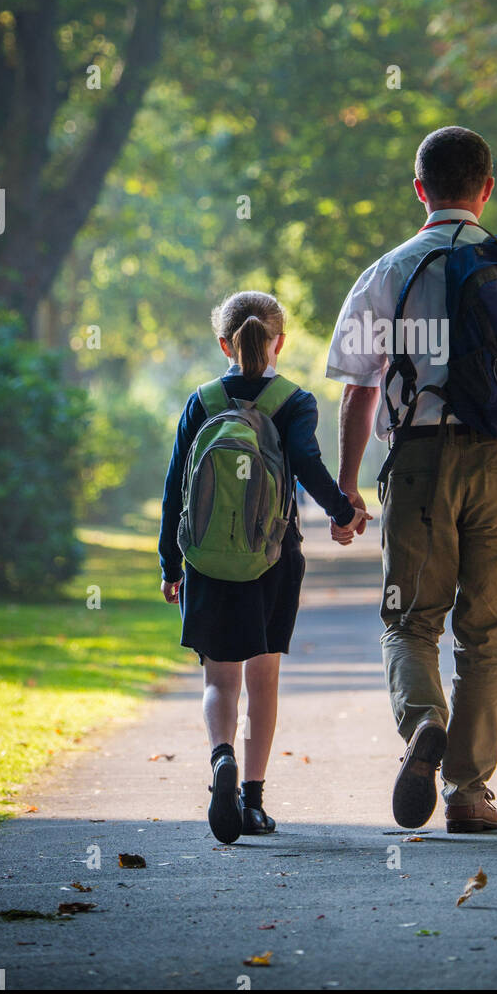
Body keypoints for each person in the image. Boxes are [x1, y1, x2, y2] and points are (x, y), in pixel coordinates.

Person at [325, 127, 497, 832]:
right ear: (487, 188)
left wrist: (347, 488)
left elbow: (356, 387)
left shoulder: (388, 271)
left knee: (409, 621)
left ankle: (422, 725)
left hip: (417, 461)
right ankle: (469, 793)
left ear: (418, 189)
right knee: (485, 633)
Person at [158, 290, 368, 844]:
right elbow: (308, 466)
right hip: (273, 556)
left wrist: (170, 563)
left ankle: (220, 759)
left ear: (223, 342)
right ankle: (252, 800)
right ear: (279, 342)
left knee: (218, 679)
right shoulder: (294, 401)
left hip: (207, 559)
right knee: (263, 679)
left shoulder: (201, 400)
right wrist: (345, 512)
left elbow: (176, 486)